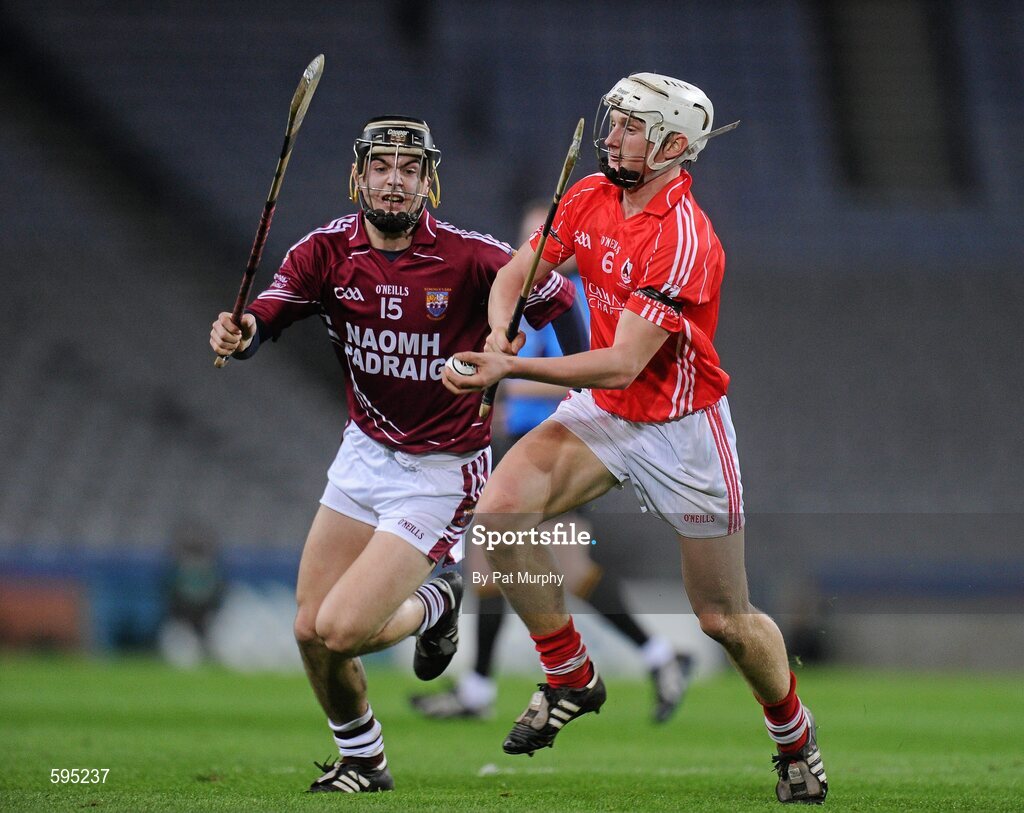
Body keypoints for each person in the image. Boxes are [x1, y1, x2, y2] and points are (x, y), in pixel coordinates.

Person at [442, 74, 828, 804]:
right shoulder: (589, 195)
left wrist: (511, 363)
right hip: (604, 414)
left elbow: (623, 359)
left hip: (681, 429)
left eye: (629, 128)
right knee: (498, 517)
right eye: (613, 122)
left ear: (675, 146)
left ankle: (793, 735)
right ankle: (571, 674)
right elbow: (517, 272)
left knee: (723, 619)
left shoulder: (684, 238)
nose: (610, 136)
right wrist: (499, 328)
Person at [209, 116, 577, 794]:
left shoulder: (472, 256)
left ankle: (436, 603)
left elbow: (554, 294)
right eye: (382, 167)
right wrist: (244, 330)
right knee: (308, 630)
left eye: (409, 170)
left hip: (442, 469)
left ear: (428, 184)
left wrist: (572, 376)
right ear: (360, 177)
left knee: (343, 628)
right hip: (364, 453)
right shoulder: (327, 251)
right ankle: (365, 761)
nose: (394, 180)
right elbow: (271, 309)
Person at [411, 202, 693, 724]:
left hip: (563, 447)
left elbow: (584, 370)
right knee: (498, 562)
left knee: (557, 564)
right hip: (524, 443)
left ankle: (655, 655)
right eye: (527, 240)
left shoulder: (582, 298)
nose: (536, 251)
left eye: (544, 239)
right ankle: (479, 686)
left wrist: (509, 376)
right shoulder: (527, 299)